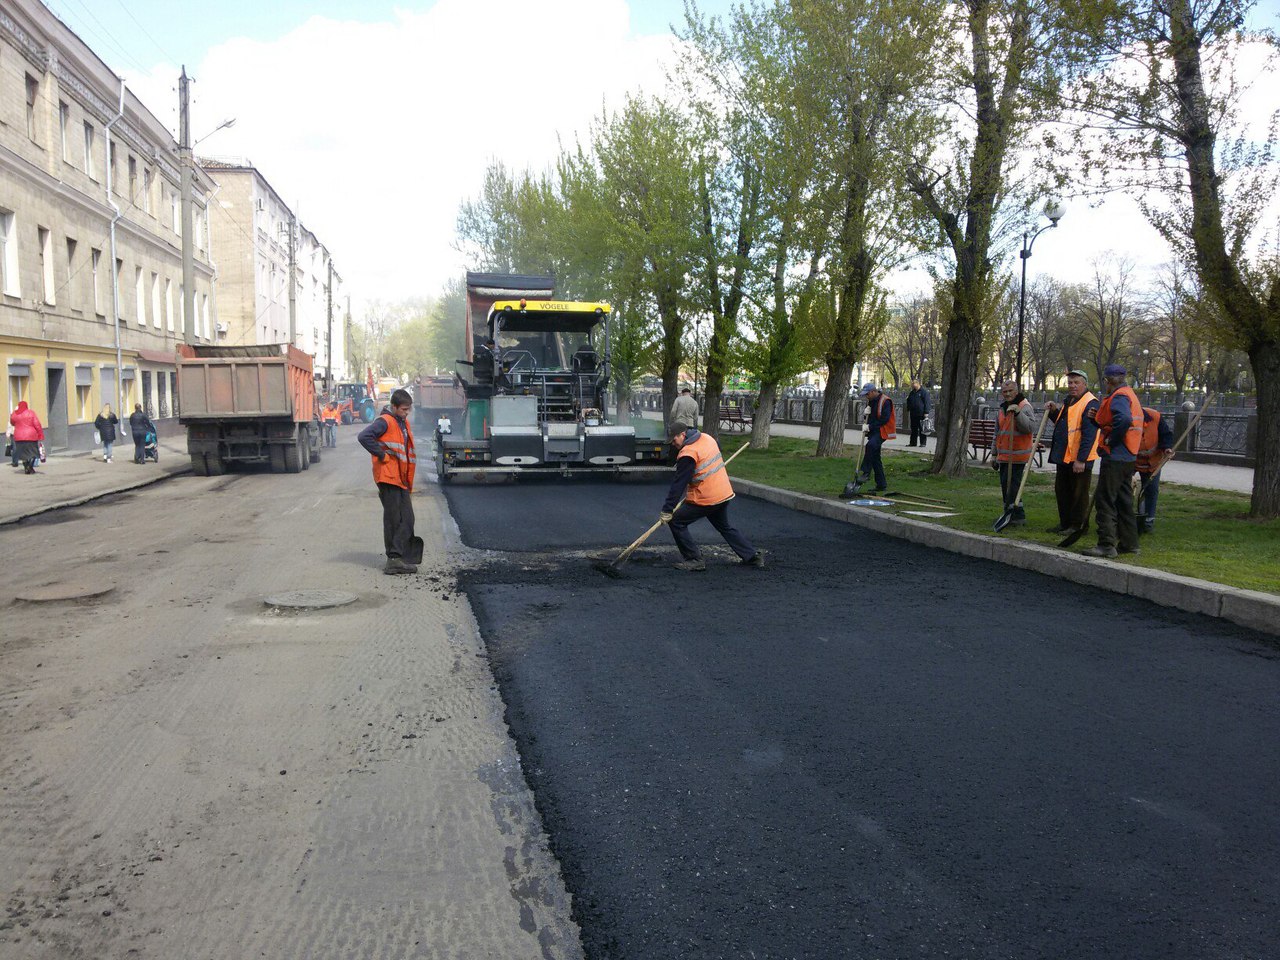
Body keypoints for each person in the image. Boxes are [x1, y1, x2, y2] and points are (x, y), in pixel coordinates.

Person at [660, 422, 763, 571]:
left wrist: (667, 510)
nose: (673, 444)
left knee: (676, 521)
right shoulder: (707, 438)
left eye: (674, 440)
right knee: (725, 527)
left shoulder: (687, 454)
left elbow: (678, 485)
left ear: (682, 434)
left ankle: (694, 559)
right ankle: (753, 557)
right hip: (723, 492)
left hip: (707, 498)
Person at [1082, 365, 1144, 558]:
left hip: (1116, 455)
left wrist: (1111, 440)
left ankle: (1106, 545)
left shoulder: (1119, 396)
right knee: (1124, 500)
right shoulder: (1129, 394)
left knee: (1105, 499)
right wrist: (1097, 420)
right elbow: (1112, 421)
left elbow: (1123, 420)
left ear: (1108, 381)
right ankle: (1129, 542)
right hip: (1129, 456)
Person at [358, 388, 418, 575]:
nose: (407, 413)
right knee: (393, 518)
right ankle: (393, 559)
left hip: (399, 478)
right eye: (403, 409)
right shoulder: (385, 421)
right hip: (387, 476)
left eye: (408, 410)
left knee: (407, 518)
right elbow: (363, 436)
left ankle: (397, 554)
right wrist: (381, 454)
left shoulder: (401, 422)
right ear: (393, 406)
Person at [1045, 370, 1100, 535]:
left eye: (1076, 382)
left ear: (1084, 384)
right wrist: (1055, 412)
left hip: (1079, 458)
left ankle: (1078, 526)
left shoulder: (1090, 403)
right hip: (1065, 455)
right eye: (1070, 383)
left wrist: (1081, 460)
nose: (1072, 386)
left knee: (1078, 493)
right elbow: (1066, 424)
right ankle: (1065, 523)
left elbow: (1089, 434)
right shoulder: (1070, 400)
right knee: (1062, 490)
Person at [990, 381, 1036, 525]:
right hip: (1004, 455)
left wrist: (1017, 413)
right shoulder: (1002, 408)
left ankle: (1017, 515)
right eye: (1005, 391)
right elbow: (997, 433)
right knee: (1006, 485)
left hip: (1018, 455)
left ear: (1016, 391)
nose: (1008, 394)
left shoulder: (1024, 406)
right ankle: (1010, 513)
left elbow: (1029, 427)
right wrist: (994, 454)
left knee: (1013, 486)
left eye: (1010, 391)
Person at [1135, 404, 1174, 534]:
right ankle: (1124, 518)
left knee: (1151, 490)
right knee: (1123, 489)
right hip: (1130, 461)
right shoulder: (1126, 417)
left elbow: (1166, 435)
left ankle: (1148, 521)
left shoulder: (1155, 416)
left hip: (1153, 462)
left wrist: (1167, 448)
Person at [859, 383, 895, 493]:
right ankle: (881, 484)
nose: (867, 396)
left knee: (870, 446)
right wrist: (866, 416)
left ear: (873, 391)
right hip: (874, 430)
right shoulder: (871, 401)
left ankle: (866, 472)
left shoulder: (885, 401)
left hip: (883, 430)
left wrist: (870, 426)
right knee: (875, 457)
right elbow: (871, 417)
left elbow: (884, 419)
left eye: (868, 394)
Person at [9, 400, 44, 474]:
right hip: (31, 436)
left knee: (22, 454)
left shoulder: (15, 414)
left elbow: (12, 422)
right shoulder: (30, 413)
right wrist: (40, 434)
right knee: (33, 453)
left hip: (19, 437)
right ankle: (30, 467)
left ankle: (26, 467)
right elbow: (37, 424)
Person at [905, 380, 931, 447]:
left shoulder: (924, 392)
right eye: (912, 383)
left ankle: (923, 443)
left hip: (921, 413)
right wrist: (908, 408)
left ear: (918, 384)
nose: (913, 385)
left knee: (922, 428)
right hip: (913, 413)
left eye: (914, 383)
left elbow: (927, 402)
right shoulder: (912, 392)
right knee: (914, 429)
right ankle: (913, 443)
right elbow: (909, 400)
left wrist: (926, 412)